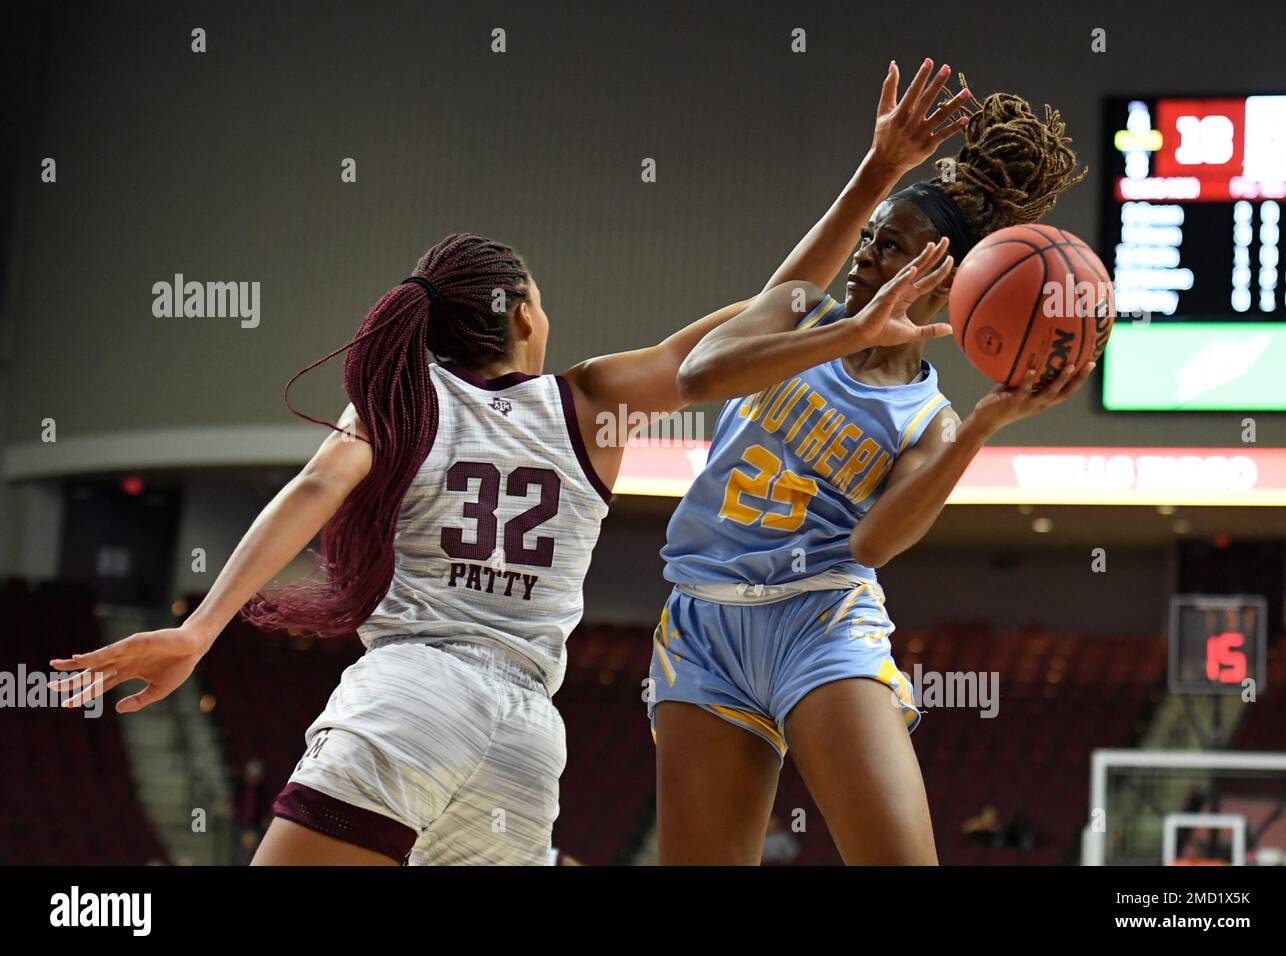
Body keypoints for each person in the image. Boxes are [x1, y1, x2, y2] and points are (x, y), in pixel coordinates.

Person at [51, 228, 939, 865]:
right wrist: (858, 276)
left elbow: (315, 488)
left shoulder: (407, 406)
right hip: (525, 736)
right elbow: (754, 321)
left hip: (417, 693)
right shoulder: (589, 404)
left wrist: (199, 630)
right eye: (541, 300)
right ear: (519, 320)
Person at [648, 59, 1092, 865]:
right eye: (871, 236)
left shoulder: (929, 419)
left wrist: (986, 423)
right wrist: (877, 183)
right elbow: (696, 377)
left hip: (819, 620)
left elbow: (873, 545)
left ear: (939, 277)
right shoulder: (800, 313)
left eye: (891, 248)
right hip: (702, 621)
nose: (865, 255)